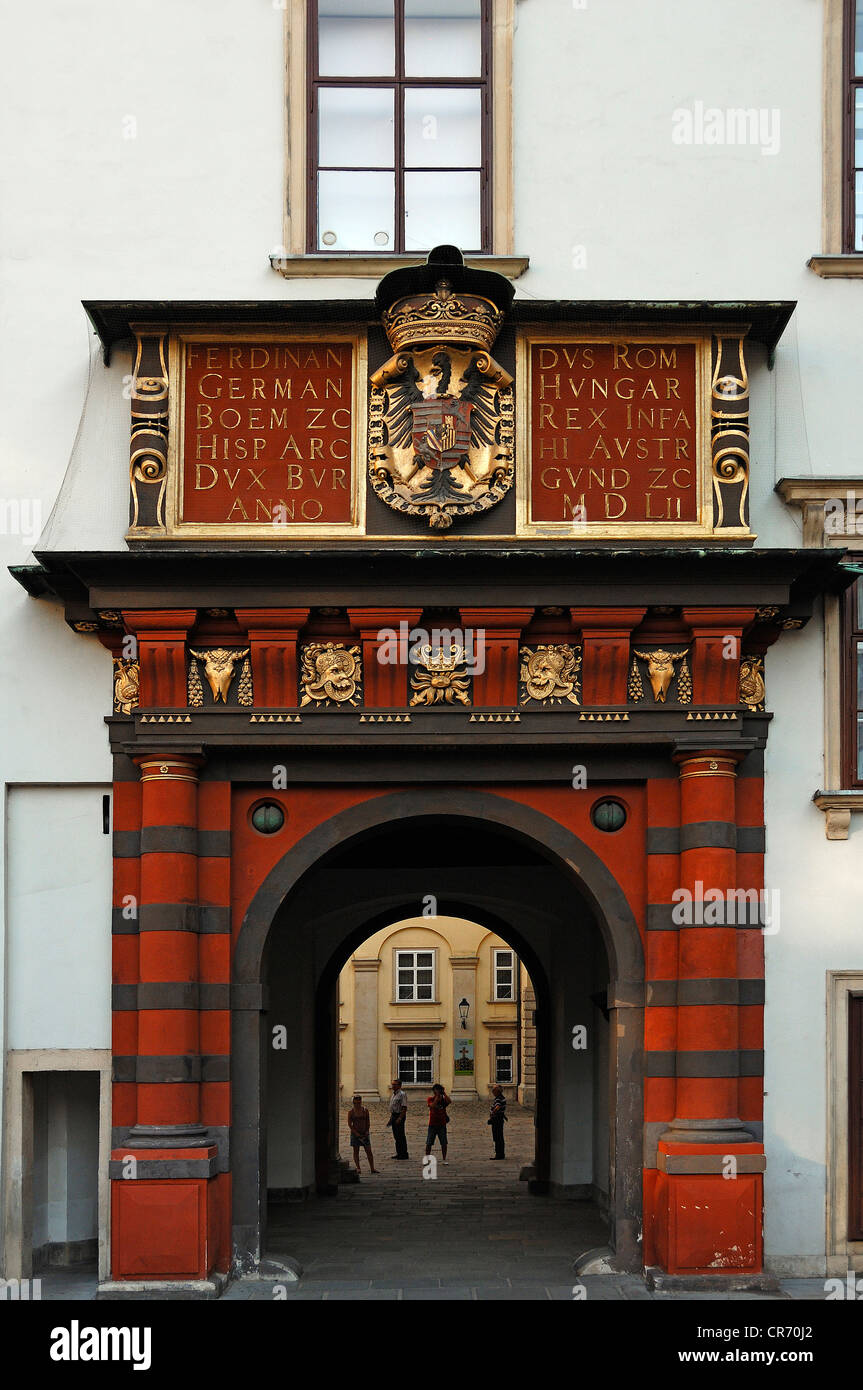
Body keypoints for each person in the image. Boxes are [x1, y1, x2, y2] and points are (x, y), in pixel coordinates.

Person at [347, 1093, 376, 1175]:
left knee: (369, 1151)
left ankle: (372, 1168)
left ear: (361, 1101)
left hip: (364, 1133)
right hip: (355, 1134)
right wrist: (355, 1133)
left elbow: (368, 1122)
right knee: (356, 1151)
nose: (357, 1104)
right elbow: (350, 1124)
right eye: (356, 1102)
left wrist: (367, 1131)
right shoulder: (351, 1112)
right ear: (353, 1102)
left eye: (359, 1102)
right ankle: (358, 1168)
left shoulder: (365, 1110)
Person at [425, 1082, 451, 1163]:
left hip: (442, 1124)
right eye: (436, 1090)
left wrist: (444, 1093)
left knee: (444, 1143)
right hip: (432, 1124)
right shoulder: (430, 1099)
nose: (438, 1092)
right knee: (429, 1143)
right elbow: (432, 1105)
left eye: (439, 1090)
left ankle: (444, 1159)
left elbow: (449, 1101)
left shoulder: (444, 1099)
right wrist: (437, 1096)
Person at [387, 1078, 409, 1159]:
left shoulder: (402, 1094)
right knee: (396, 1135)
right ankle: (399, 1152)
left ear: (399, 1086)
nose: (393, 1086)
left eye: (394, 1084)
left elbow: (404, 1107)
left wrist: (400, 1118)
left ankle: (404, 1154)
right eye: (392, 1084)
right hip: (394, 1115)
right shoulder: (393, 1094)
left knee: (401, 1135)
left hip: (399, 1115)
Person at [488, 1084, 507, 1159]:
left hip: (497, 1120)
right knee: (500, 1137)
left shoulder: (498, 1099)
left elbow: (498, 1107)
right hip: (499, 1119)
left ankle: (499, 1154)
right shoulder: (502, 1098)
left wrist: (493, 1113)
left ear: (497, 1092)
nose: (492, 1091)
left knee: (497, 1137)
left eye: (493, 1090)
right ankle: (501, 1153)